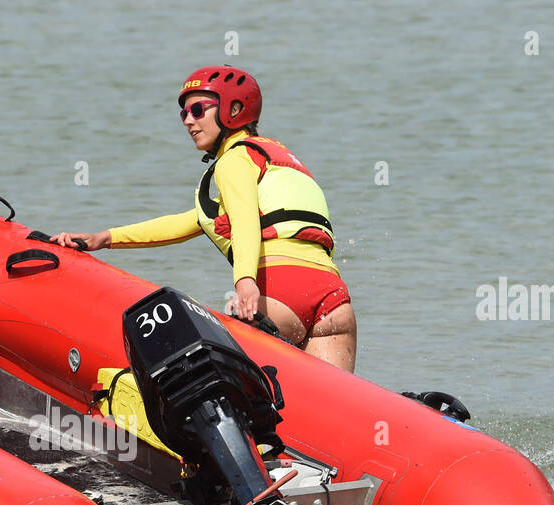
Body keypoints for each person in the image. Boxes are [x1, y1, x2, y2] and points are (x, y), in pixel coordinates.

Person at [52, 66, 357, 371]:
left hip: (279, 289)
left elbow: (246, 222)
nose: (188, 120)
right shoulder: (276, 158)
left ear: (234, 109)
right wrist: (104, 239)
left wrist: (246, 282)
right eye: (183, 112)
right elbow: (189, 222)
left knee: (205, 375)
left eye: (198, 110)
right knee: (333, 408)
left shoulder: (234, 161)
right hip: (333, 301)